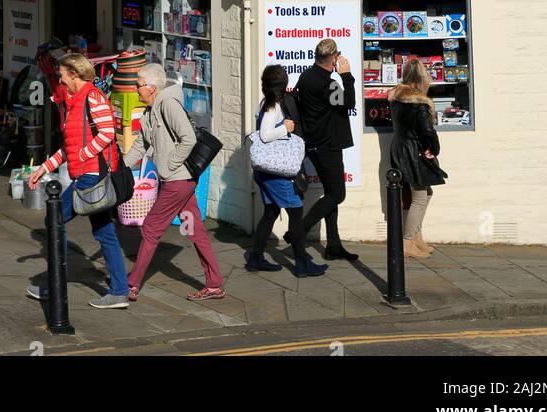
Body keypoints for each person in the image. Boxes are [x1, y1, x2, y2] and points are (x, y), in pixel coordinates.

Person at [27, 50, 130, 309]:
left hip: (91, 176)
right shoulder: (75, 102)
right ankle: (119, 290)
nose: (60, 82)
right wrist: (44, 168)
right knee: (105, 232)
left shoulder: (92, 97)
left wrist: (85, 153)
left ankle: (54, 285)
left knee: (54, 219)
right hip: (87, 173)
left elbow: (108, 132)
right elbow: (68, 147)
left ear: (74, 75)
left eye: (62, 77)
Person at [124, 64, 225, 302]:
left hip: (177, 182)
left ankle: (130, 284)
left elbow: (188, 138)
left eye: (138, 85)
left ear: (151, 87)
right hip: (181, 183)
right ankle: (215, 284)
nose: (135, 89)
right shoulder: (150, 111)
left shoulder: (168, 105)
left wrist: (169, 166)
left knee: (150, 229)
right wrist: (121, 167)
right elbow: (142, 143)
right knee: (194, 230)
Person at [246, 64, 326, 278]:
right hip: (277, 173)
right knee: (296, 215)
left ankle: (255, 258)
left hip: (265, 171)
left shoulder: (264, 104)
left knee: (270, 212)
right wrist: (286, 128)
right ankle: (301, 263)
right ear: (283, 85)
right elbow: (264, 135)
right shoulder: (273, 107)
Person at [294, 38, 359, 261]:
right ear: (333, 58)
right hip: (327, 145)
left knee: (330, 194)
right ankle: (299, 231)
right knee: (337, 194)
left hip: (314, 143)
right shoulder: (328, 83)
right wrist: (346, 75)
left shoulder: (306, 76)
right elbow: (349, 101)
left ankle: (333, 245)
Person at [390, 58, 447, 259]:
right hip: (414, 153)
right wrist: (434, 149)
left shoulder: (396, 99)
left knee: (424, 193)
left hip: (400, 150)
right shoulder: (420, 104)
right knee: (421, 196)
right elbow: (427, 132)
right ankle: (407, 242)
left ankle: (417, 238)